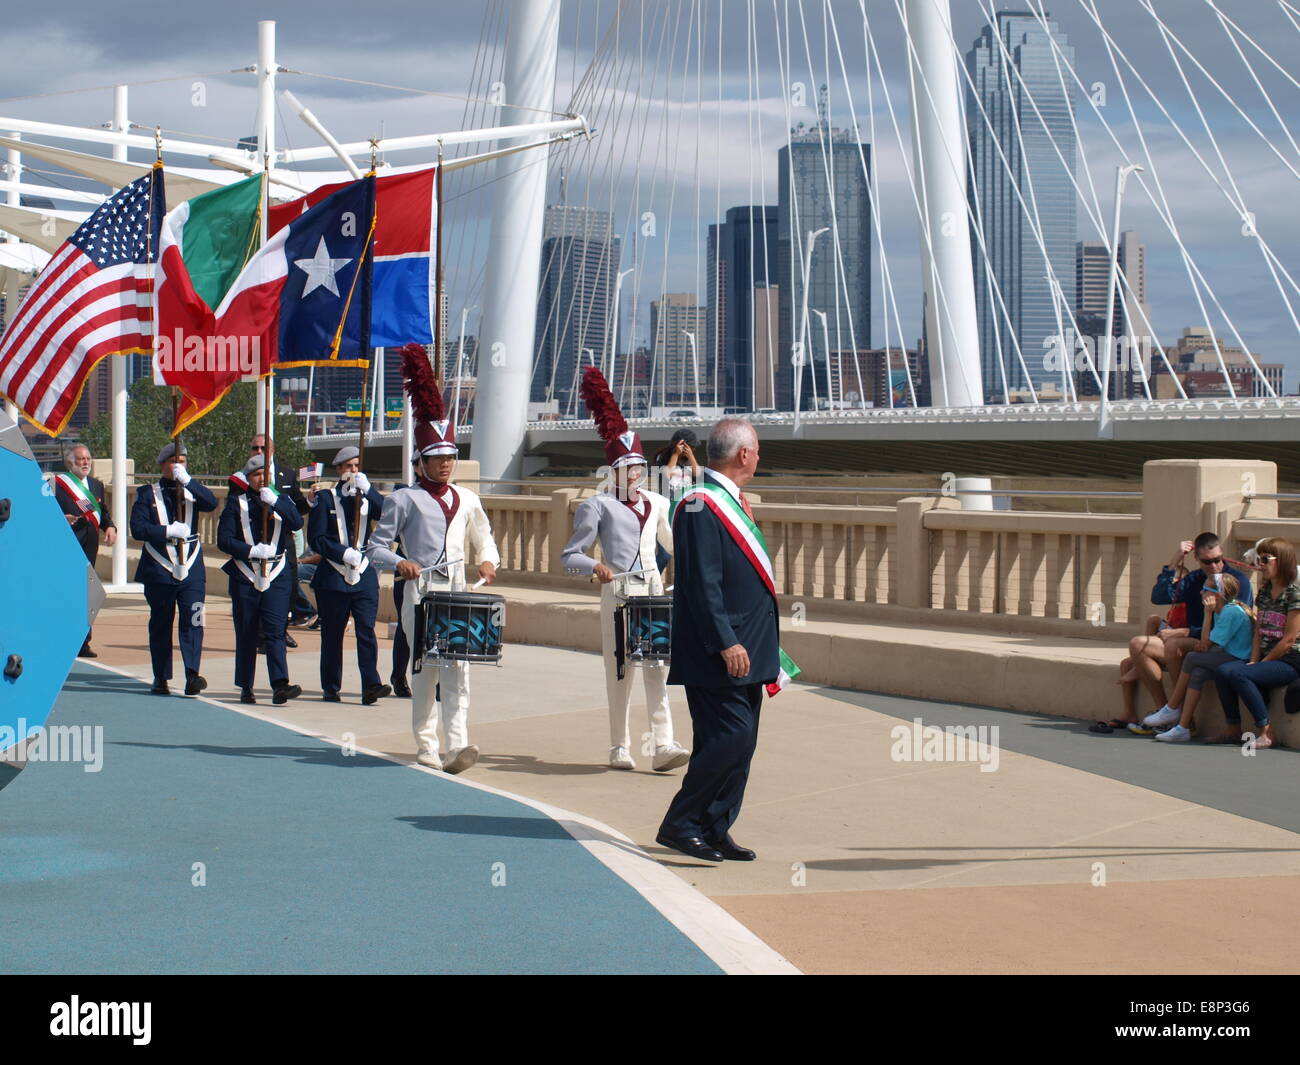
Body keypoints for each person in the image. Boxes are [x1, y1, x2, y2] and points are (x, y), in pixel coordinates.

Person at [657, 418, 794, 864]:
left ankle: (716, 827)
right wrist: (725, 642)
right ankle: (682, 823)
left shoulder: (730, 502)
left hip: (749, 648)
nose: (758, 455)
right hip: (719, 652)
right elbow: (701, 584)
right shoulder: (699, 504)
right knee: (727, 740)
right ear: (743, 455)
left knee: (743, 742)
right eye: (756, 449)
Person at [367, 344, 499, 773]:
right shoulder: (402, 499)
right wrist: (399, 562)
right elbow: (375, 548)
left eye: (449, 458)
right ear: (421, 461)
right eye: (436, 459)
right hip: (420, 593)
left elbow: (484, 535)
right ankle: (426, 744)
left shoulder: (468, 497)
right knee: (426, 670)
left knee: (459, 668)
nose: (445, 465)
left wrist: (489, 561)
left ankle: (458, 745)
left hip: (458, 590)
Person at [562, 366, 689, 772]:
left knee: (658, 666)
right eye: (626, 468)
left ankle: (664, 745)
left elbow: (674, 544)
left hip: (652, 592)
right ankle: (619, 746)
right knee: (620, 671)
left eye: (637, 468)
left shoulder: (659, 502)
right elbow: (570, 555)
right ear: (611, 470)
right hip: (617, 593)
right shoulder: (596, 505)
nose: (634, 474)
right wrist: (594, 566)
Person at [1102, 533, 1252, 733]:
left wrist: (1186, 631)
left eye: (1218, 560)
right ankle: (1163, 712)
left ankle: (1176, 715)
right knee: (1133, 654)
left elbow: (1237, 625)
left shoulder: (1236, 580)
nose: (1215, 566)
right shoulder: (1195, 579)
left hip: (1219, 644)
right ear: (1197, 559)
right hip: (1195, 638)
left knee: (1166, 645)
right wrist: (1173, 563)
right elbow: (1159, 596)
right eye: (1208, 562)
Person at [129, 442, 218, 696]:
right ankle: (161, 676)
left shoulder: (192, 490)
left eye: (183, 461)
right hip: (160, 567)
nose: (178, 465)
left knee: (193, 620)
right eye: (173, 461)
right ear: (162, 464)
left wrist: (188, 481)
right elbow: (138, 529)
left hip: (191, 567)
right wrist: (167, 531)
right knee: (161, 623)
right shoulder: (148, 493)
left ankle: (192, 674)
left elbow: (211, 503)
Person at [217, 454, 305, 705]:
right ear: (248, 478)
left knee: (276, 631)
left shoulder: (282, 499)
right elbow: (224, 539)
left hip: (277, 575)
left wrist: (276, 501)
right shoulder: (237, 504)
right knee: (246, 632)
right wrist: (251, 551)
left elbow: (297, 522)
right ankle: (246, 685)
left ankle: (280, 684)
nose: (262, 478)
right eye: (257, 475)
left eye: (265, 474)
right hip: (246, 574)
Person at [309, 445, 390, 705]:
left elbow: (390, 515)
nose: (353, 471)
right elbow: (317, 539)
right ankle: (331, 686)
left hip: (364, 574)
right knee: (332, 634)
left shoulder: (366, 497)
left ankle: (371, 685)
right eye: (347, 467)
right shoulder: (325, 498)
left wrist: (370, 491)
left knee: (366, 630)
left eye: (356, 466)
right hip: (334, 575)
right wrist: (342, 553)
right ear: (338, 470)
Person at [1207, 537, 1300, 749]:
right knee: (1223, 671)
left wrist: (1262, 663)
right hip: (1267, 656)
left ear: (1282, 561)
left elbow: (1289, 640)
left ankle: (1267, 732)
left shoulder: (1294, 594)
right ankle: (1233, 729)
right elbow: (1258, 631)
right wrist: (1254, 660)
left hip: (1291, 659)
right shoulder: (1265, 593)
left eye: (1266, 559)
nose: (1260, 564)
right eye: (1259, 559)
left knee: (1240, 674)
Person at [1144, 574, 1253, 743]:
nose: (1201, 592)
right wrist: (1208, 620)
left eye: (1205, 590)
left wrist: (1207, 614)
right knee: (1198, 672)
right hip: (1227, 655)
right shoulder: (1221, 610)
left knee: (1192, 658)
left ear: (1216, 595)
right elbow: (1206, 643)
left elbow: (1205, 643)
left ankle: (1172, 707)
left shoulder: (1230, 612)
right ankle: (1183, 728)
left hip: (1238, 659)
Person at [53, 444, 116, 657]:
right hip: (66, 549)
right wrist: (61, 519)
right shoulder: (57, 485)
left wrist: (110, 527)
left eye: (88, 458)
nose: (86, 462)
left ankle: (84, 642)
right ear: (71, 463)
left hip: (90, 550)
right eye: (81, 459)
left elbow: (104, 514)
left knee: (87, 596)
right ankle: (63, 638)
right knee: (67, 595)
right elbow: (45, 514)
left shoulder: (96, 486)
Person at [652, 429, 701, 498]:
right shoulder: (663, 457)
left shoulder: (689, 458)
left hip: (687, 499)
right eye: (692, 447)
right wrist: (676, 454)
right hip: (670, 499)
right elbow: (666, 477)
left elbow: (699, 476)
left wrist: (691, 456)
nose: (693, 450)